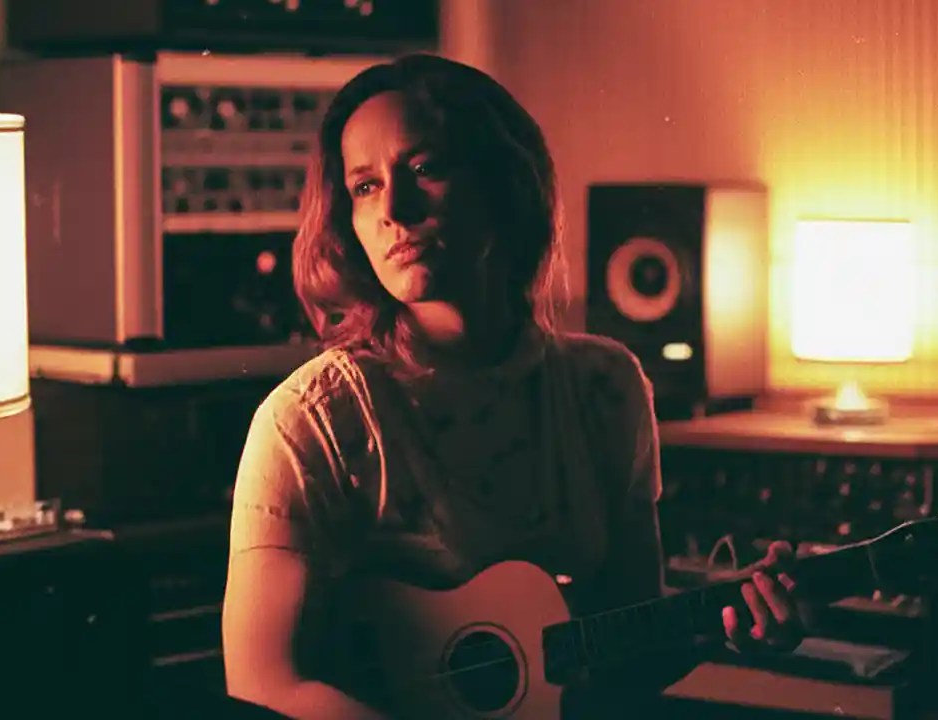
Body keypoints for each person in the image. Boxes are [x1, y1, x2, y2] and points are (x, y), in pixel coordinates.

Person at [221, 53, 801, 720]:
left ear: (502, 184)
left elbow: (627, 651)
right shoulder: (310, 420)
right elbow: (265, 683)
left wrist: (726, 628)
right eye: (365, 187)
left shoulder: (604, 387)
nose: (395, 210)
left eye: (425, 169)